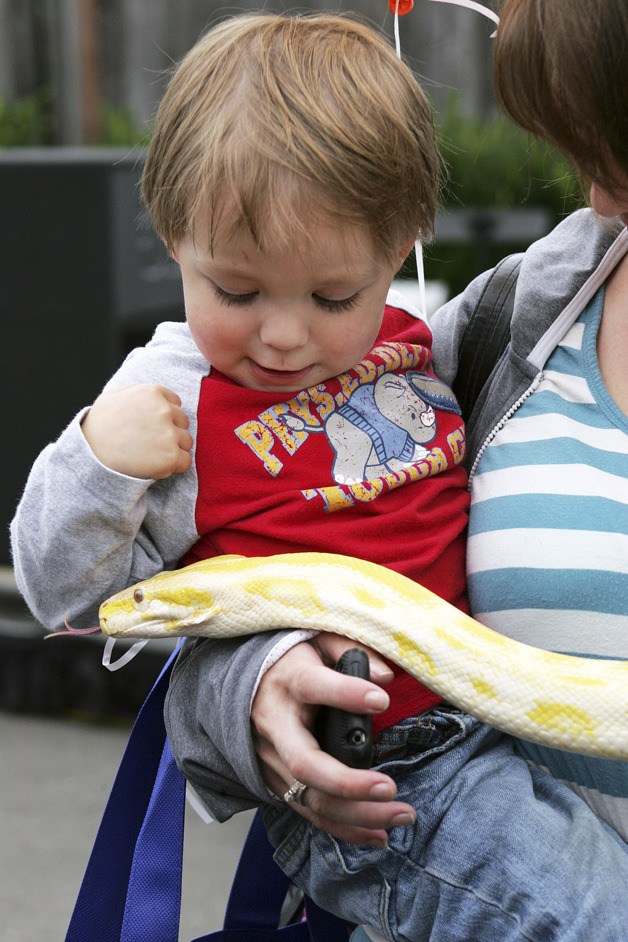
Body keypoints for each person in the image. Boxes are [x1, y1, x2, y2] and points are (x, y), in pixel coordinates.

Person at [10, 9, 627, 942]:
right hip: (403, 775)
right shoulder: (181, 400)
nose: (286, 335)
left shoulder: (410, 347)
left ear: (402, 247)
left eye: (334, 296)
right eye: (238, 291)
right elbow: (76, 591)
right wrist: (98, 457)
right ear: (171, 235)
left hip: (485, 751)